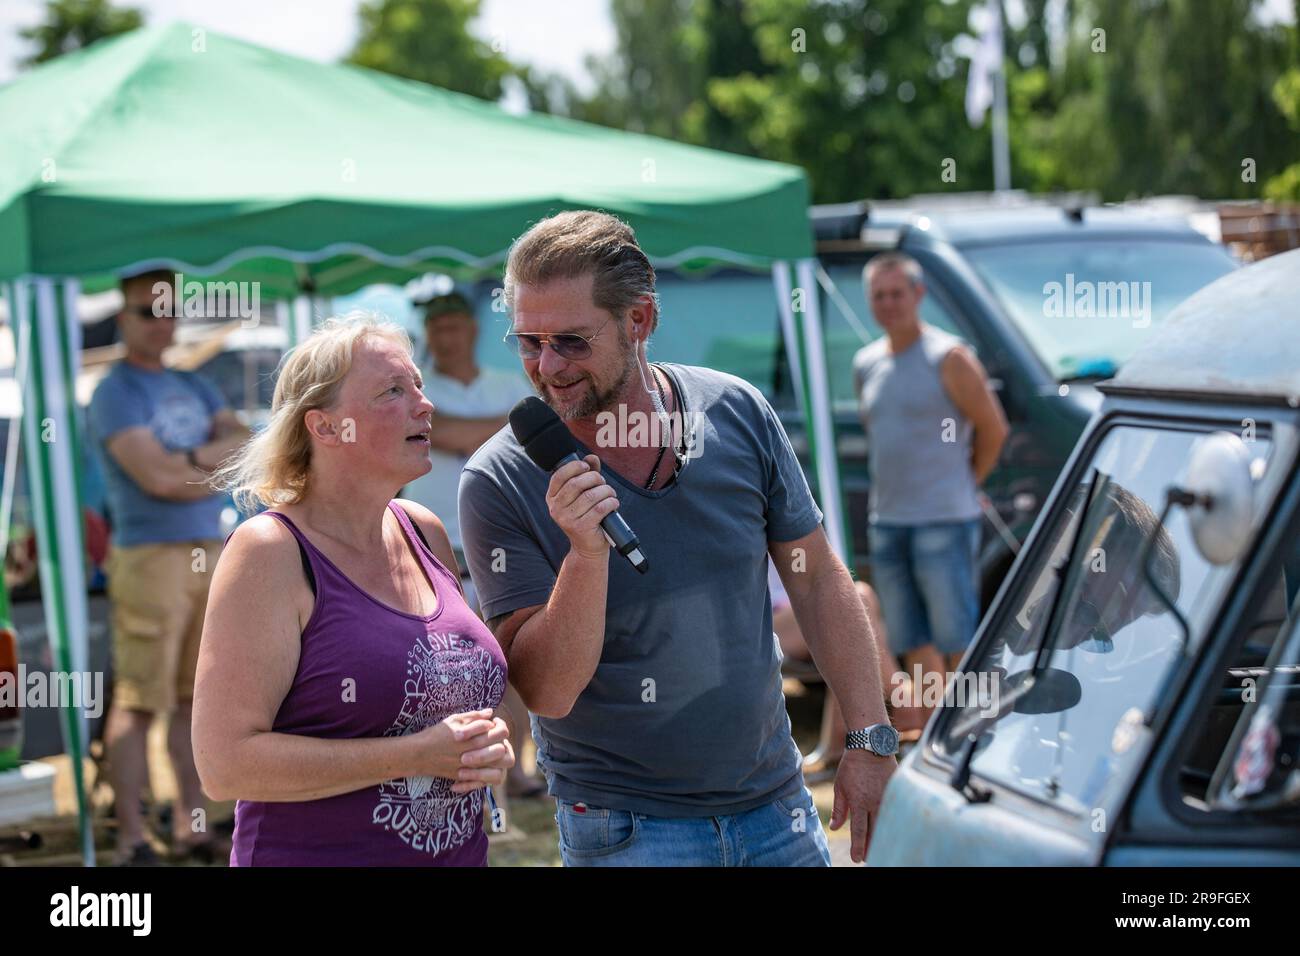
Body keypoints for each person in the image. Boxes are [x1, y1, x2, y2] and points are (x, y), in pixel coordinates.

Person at [459, 210, 897, 867]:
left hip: (777, 809)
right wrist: (586, 553)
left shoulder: (738, 411)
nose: (547, 366)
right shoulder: (498, 478)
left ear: (640, 321)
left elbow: (815, 578)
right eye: (528, 342)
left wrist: (869, 739)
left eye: (571, 342)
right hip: (627, 831)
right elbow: (547, 691)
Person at [192, 315, 515, 866]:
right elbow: (225, 766)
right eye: (393, 390)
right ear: (324, 427)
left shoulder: (422, 528)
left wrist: (484, 744)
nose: (425, 404)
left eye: (418, 385)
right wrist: (416, 755)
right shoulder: (269, 551)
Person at [89, 270, 250, 866]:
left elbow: (239, 444)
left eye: (168, 308)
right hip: (149, 557)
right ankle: (132, 836)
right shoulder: (115, 390)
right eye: (147, 309)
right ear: (123, 318)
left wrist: (187, 463)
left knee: (193, 700)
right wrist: (205, 461)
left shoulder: (193, 380)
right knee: (138, 702)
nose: (162, 320)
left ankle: (191, 825)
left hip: (206, 549)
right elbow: (155, 478)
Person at [400, 291, 541, 798]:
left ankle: (518, 768)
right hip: (436, 548)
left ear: (472, 329)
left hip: (504, 542)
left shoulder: (506, 384)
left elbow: (468, 435)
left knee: (510, 662)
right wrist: (510, 426)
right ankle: (461, 767)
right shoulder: (416, 392)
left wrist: (489, 429)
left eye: (455, 325)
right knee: (450, 669)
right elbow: (459, 435)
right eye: (438, 327)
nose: (447, 336)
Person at [853, 252, 1009, 702]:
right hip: (889, 521)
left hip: (944, 519)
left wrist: (968, 483)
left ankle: (970, 731)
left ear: (918, 295)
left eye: (897, 293)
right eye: (879, 295)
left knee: (956, 636)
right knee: (911, 639)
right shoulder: (866, 364)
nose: (888, 303)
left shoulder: (949, 357)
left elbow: (993, 429)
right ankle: (932, 732)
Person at [772, 561, 931, 777]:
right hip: (764, 623)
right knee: (852, 602)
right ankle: (904, 702)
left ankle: (839, 745)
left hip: (804, 612)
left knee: (857, 598)